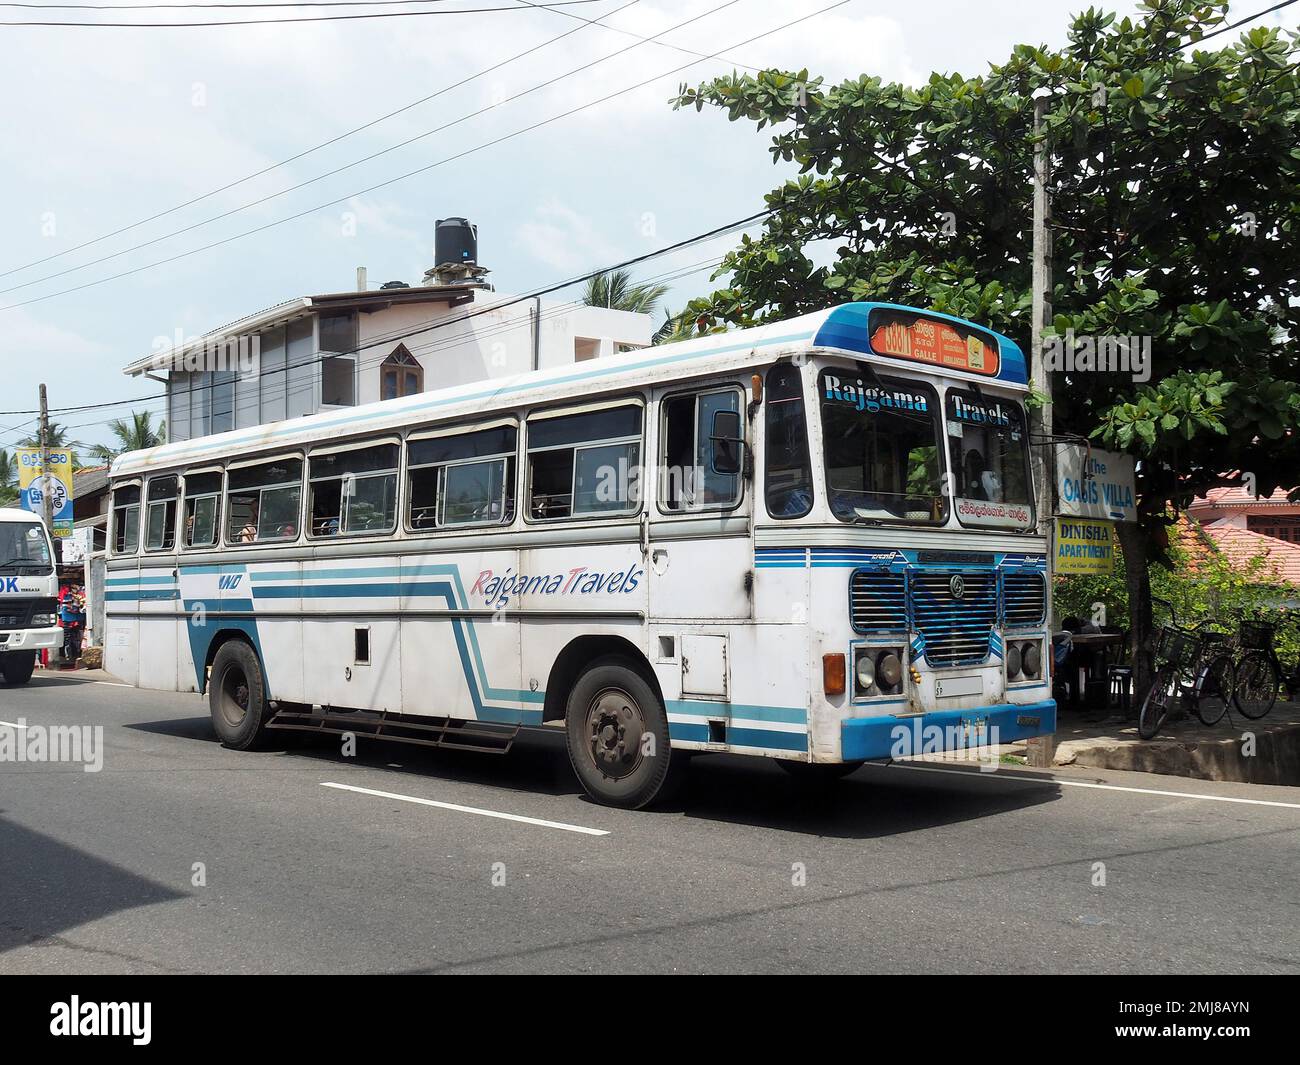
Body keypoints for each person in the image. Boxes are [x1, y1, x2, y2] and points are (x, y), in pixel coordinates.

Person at [60, 585, 86, 669]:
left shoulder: (81, 592)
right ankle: (70, 655)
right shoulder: (66, 592)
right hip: (70, 616)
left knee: (79, 635)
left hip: (76, 615)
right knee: (68, 637)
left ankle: (76, 654)